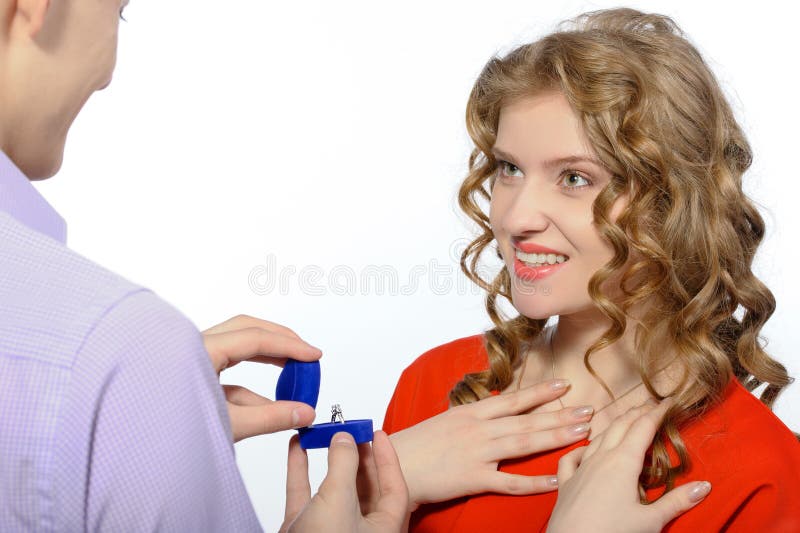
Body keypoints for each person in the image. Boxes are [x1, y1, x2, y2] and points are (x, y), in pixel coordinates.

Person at [383, 7, 800, 532]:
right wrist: (378, 491)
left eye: (575, 178)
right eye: (510, 168)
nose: (515, 217)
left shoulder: (759, 469)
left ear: (675, 202)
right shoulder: (435, 387)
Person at [0, 0, 410, 530]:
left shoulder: (113, 355)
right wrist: (135, 377)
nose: (107, 73)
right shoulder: (119, 346)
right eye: (118, 11)